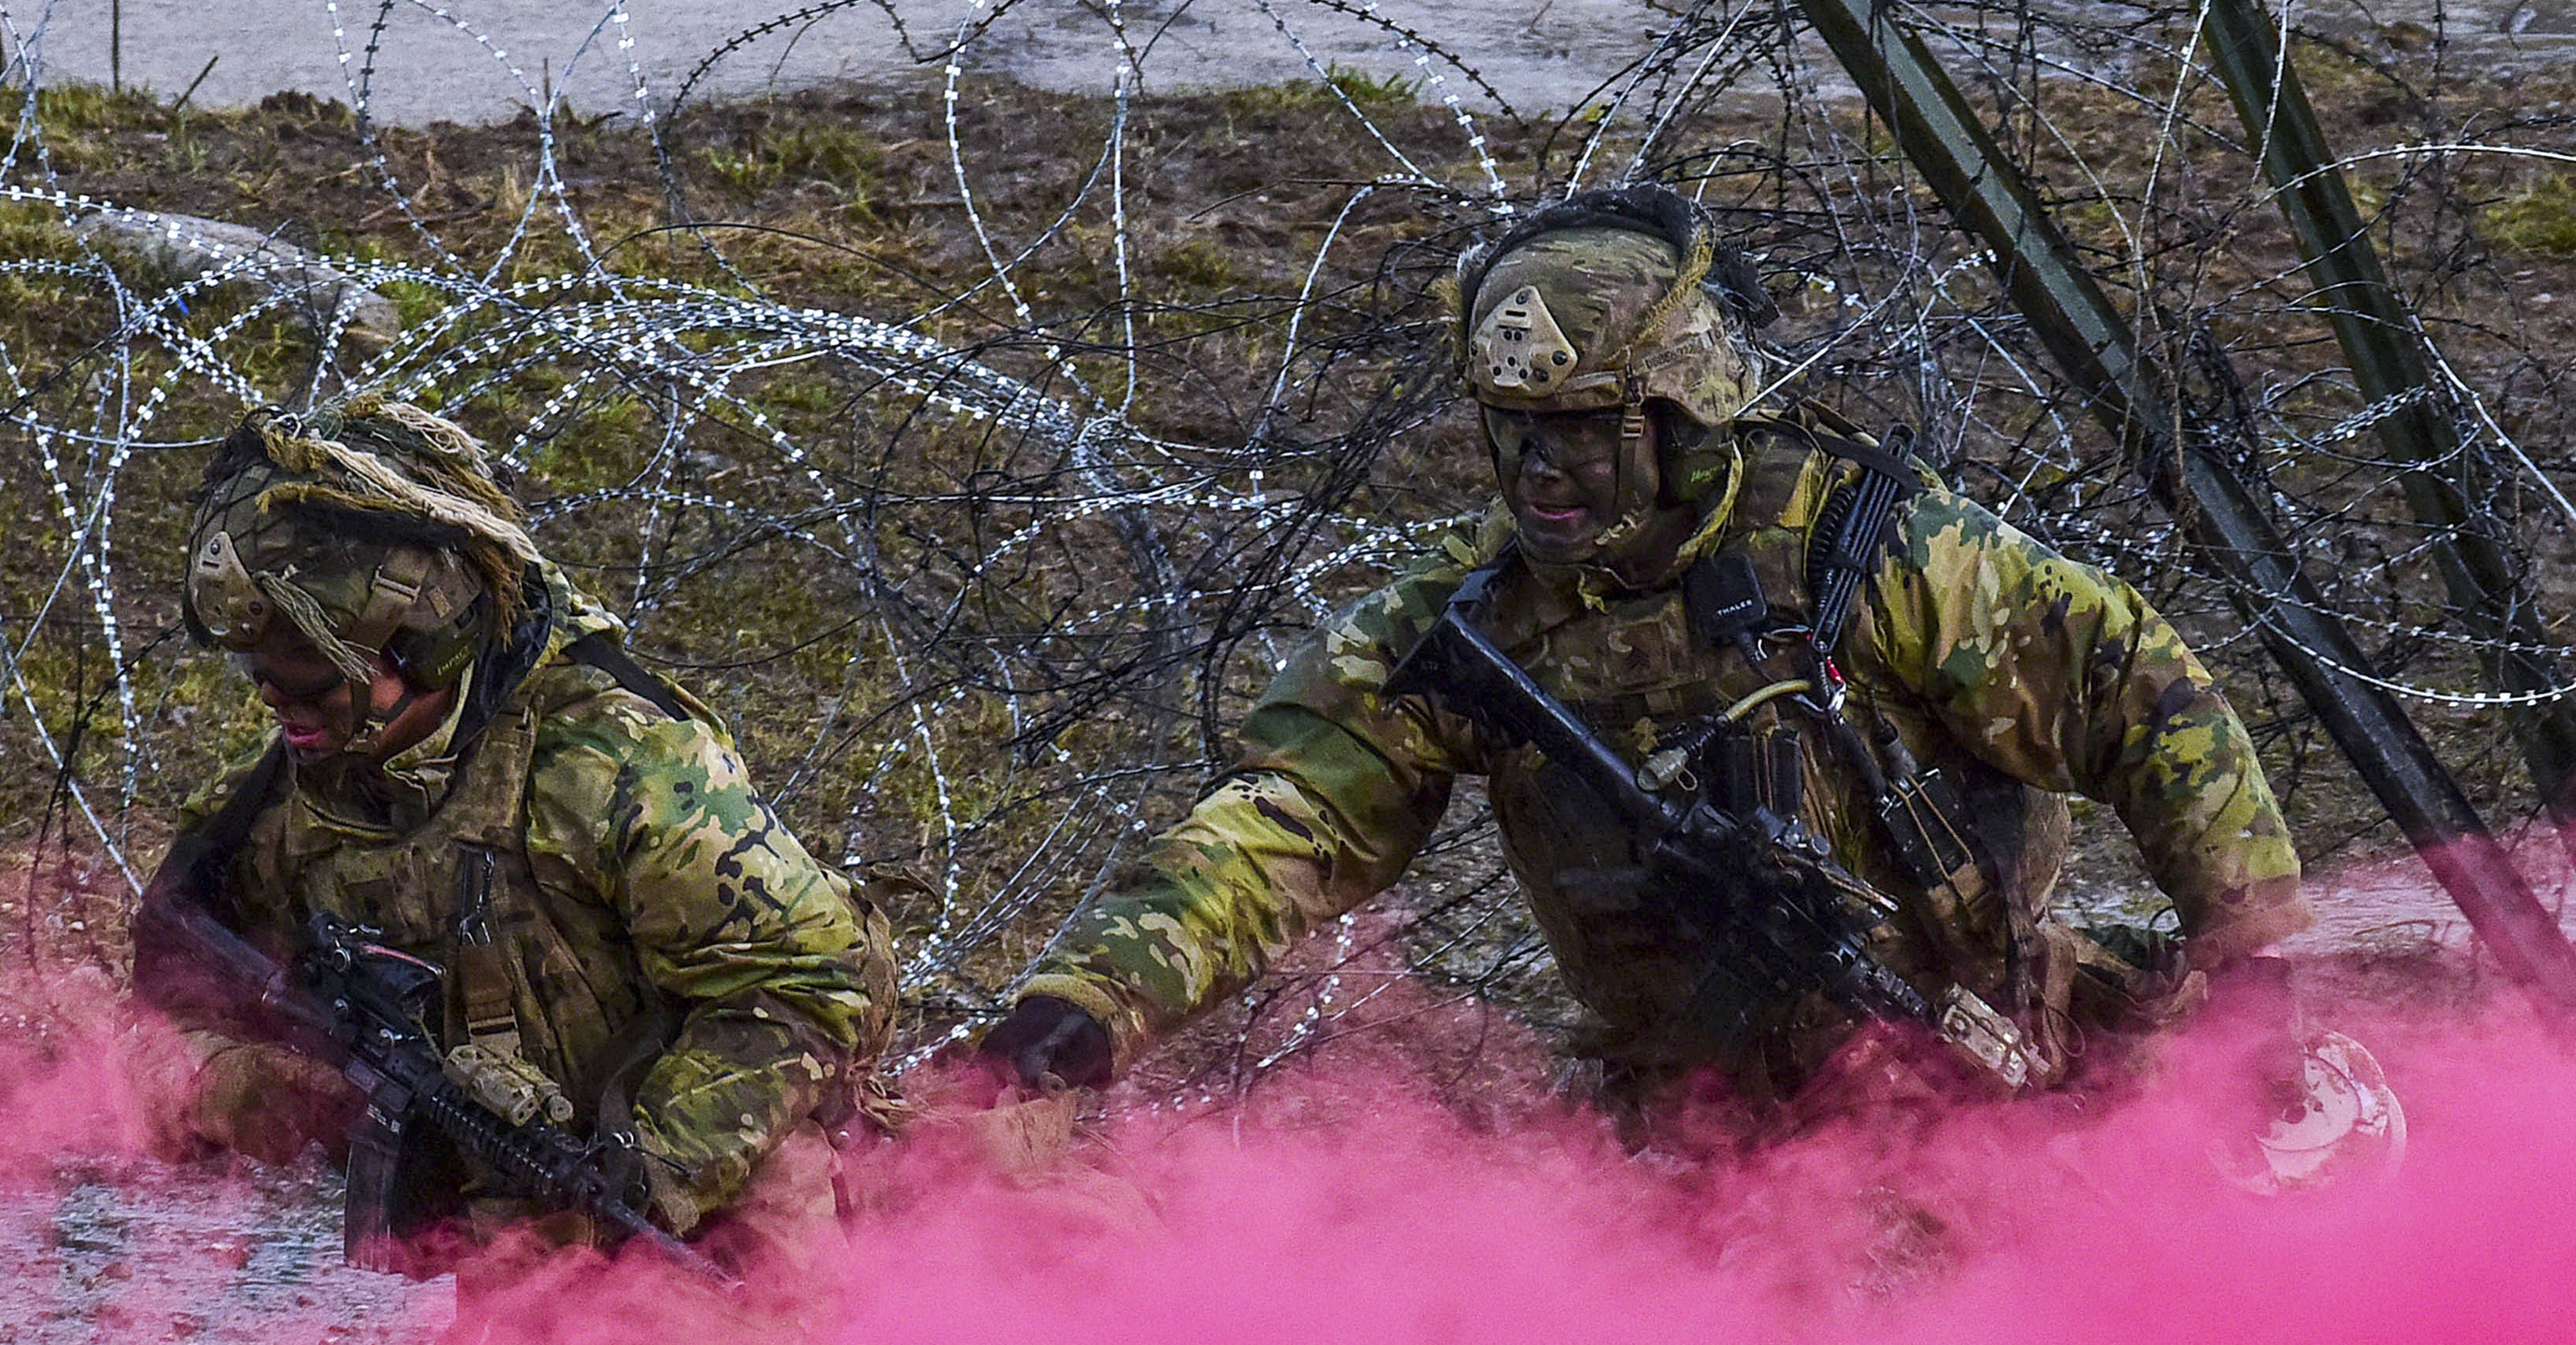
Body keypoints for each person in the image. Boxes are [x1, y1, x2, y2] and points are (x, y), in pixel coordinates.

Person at [978, 182, 2391, 1174]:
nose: (1542, 470)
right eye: (1514, 430)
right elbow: (1274, 833)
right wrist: (1062, 1032)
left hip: (1986, 1066)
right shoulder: (1467, 633)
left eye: (1583, 431)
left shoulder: (1866, 556)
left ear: (1673, 417)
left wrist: (2256, 972)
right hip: (1707, 1138)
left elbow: (2141, 695)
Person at [129, 399, 889, 1345]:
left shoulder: (613, 763)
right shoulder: (299, 802)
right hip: (543, 1269)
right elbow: (167, 986)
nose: (281, 707)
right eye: (262, 680)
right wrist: (259, 1088)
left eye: (310, 679)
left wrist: (635, 1168)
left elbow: (817, 987)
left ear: (415, 638)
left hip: (716, 1243)